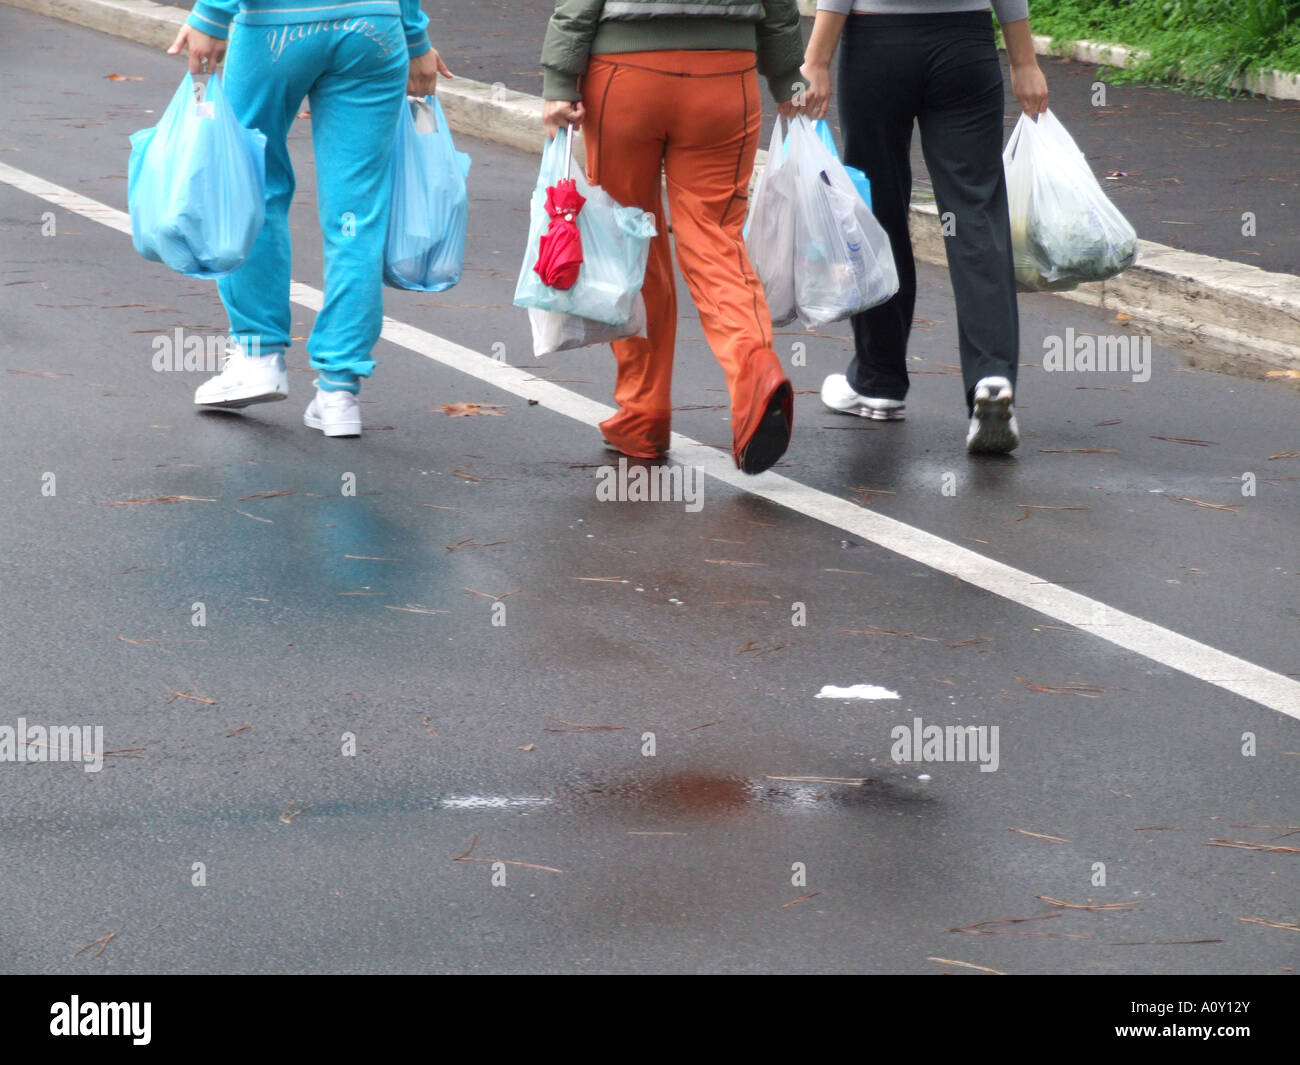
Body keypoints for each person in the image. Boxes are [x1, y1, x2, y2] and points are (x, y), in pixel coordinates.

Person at [539, 0, 806, 475]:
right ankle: (753, 368)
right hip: (727, 74)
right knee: (715, 235)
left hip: (625, 74)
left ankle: (642, 415)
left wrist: (561, 77)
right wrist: (787, 75)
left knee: (631, 238)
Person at [169, 1, 452, 437]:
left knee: (254, 186)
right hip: (373, 28)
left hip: (276, 26)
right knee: (357, 216)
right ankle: (339, 392)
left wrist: (212, 14)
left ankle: (258, 355)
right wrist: (415, 36)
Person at [801, 0, 1049, 453]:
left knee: (879, 209)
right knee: (975, 213)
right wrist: (1024, 60)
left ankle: (879, 380)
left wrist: (816, 60)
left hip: (877, 43)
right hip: (965, 45)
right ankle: (990, 378)